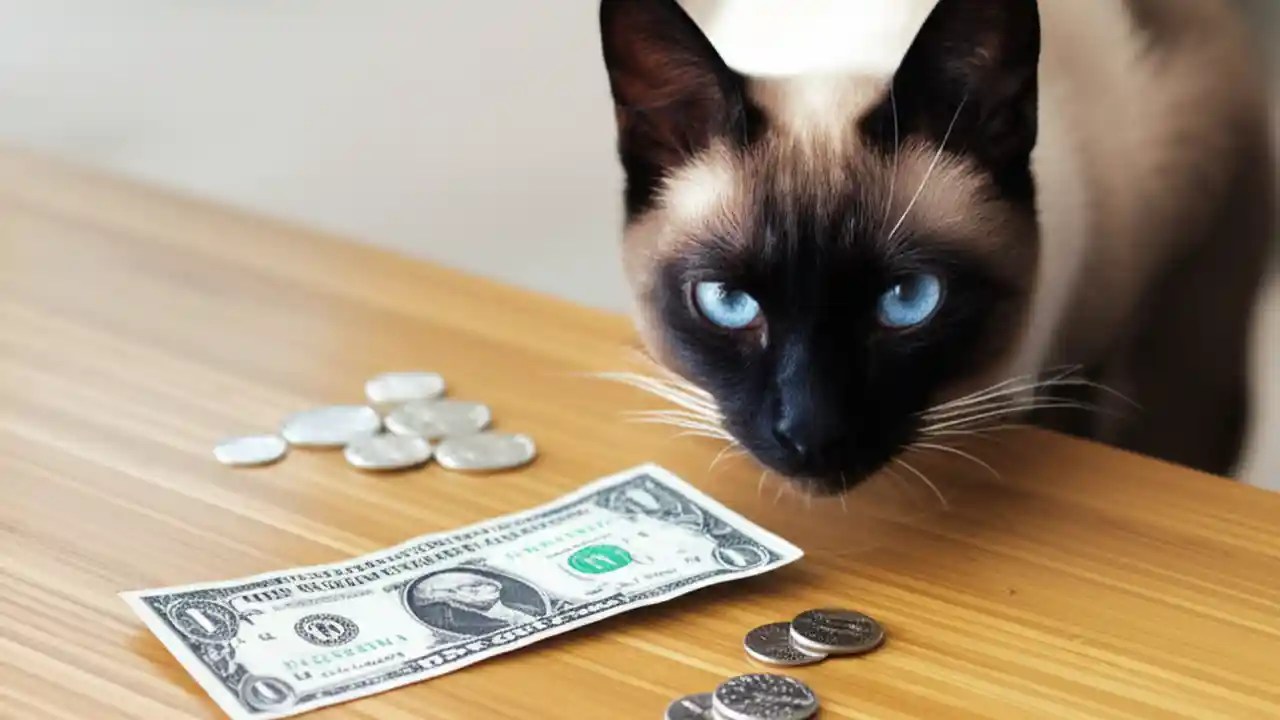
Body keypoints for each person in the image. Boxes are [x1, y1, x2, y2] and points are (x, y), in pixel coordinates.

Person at [409, 571, 540, 636]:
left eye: (475, 585)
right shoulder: (456, 625)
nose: (473, 591)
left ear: (495, 586)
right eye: (450, 591)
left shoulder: (531, 609)